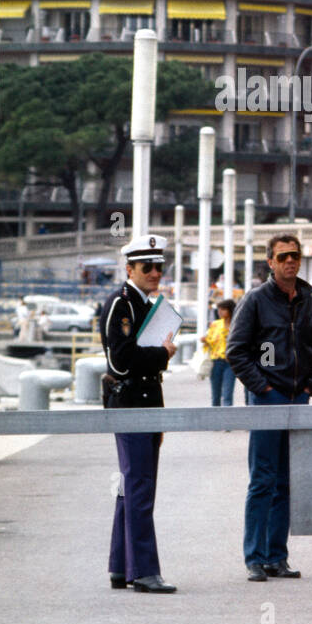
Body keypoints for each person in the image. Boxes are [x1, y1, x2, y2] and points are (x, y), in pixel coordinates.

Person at [226, 233, 312, 583]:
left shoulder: (307, 300)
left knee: (286, 480)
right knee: (262, 480)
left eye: (295, 256)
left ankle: (276, 556)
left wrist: (310, 385)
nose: (290, 261)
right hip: (267, 398)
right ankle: (254, 557)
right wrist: (264, 387)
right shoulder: (255, 300)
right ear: (270, 262)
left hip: (297, 397)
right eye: (283, 256)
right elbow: (236, 351)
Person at [100, 234, 177, 595]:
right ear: (129, 268)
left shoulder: (146, 304)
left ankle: (120, 566)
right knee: (139, 487)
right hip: (130, 402)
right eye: (148, 267)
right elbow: (121, 361)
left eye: (159, 266)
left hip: (146, 402)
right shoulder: (122, 304)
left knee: (131, 487)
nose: (156, 273)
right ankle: (144, 571)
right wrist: (162, 354)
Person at [203, 299, 236, 407]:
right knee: (215, 394)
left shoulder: (237, 324)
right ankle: (214, 421)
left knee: (227, 394)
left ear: (230, 310)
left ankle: (226, 420)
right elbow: (210, 340)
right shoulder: (215, 324)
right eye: (219, 309)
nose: (220, 312)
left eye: (223, 309)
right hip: (216, 361)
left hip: (231, 363)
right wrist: (205, 340)